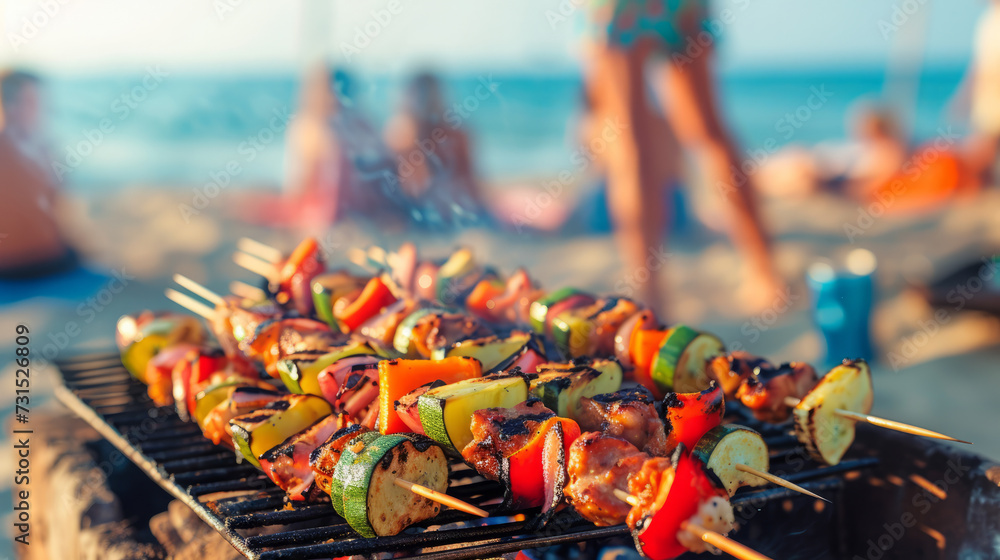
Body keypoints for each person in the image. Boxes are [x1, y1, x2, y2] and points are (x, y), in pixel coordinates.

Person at [584, 0, 781, 315]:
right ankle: (766, 273)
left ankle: (650, 293)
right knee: (711, 133)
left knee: (632, 145)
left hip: (622, 9)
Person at [383, 72, 484, 227]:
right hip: (439, 209)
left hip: (429, 210)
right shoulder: (405, 133)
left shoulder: (402, 132)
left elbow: (410, 187)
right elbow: (470, 183)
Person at [0, 70, 75, 278]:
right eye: (33, 102)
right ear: (9, 105)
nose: (43, 111)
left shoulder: (38, 148)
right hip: (33, 263)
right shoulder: (39, 149)